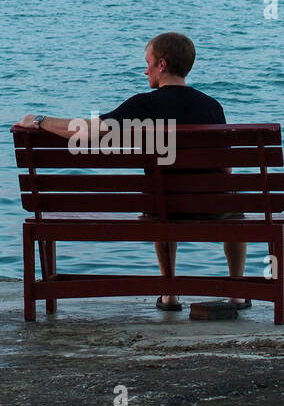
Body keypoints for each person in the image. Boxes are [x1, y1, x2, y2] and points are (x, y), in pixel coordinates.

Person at [14, 31, 247, 311]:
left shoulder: (143, 105)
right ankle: (236, 291)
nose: (145, 69)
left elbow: (87, 132)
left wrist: (40, 120)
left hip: (162, 208)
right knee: (235, 206)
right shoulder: (212, 107)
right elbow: (226, 167)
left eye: (148, 62)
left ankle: (170, 294)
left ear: (162, 65)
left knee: (159, 200)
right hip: (211, 207)